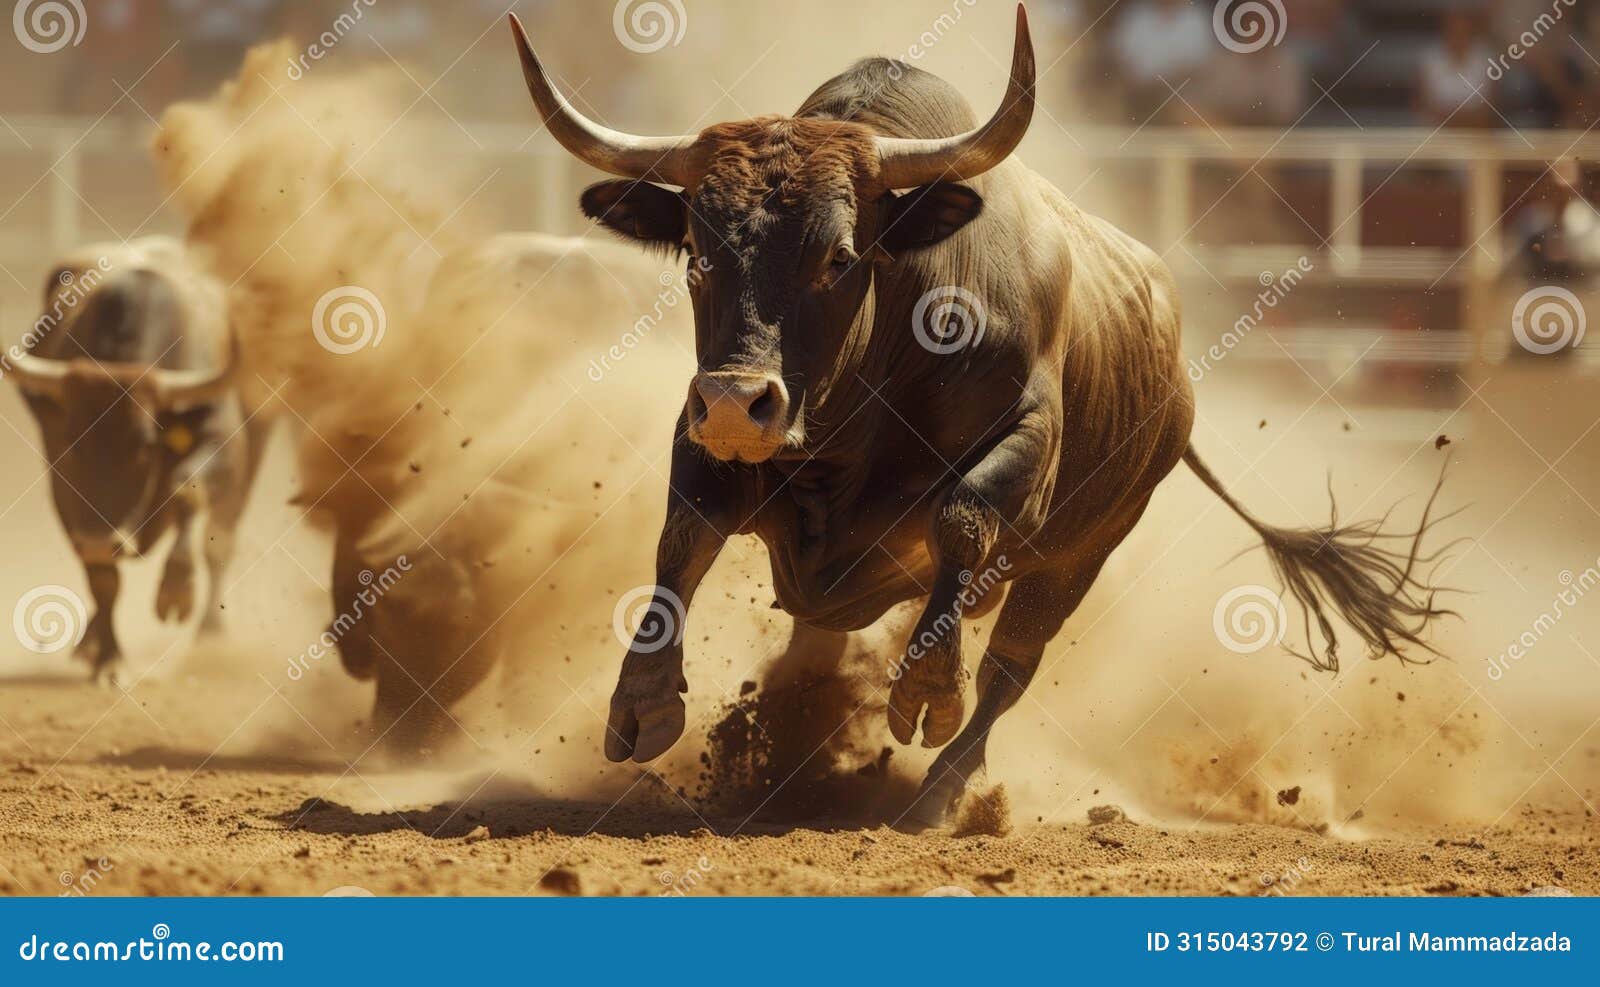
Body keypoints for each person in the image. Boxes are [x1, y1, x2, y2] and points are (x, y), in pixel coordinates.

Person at [1110, 0, 1216, 121]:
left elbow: (1201, 65)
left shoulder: (1196, 17)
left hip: (1180, 93)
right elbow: (1120, 57)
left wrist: (1165, 82)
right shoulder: (1136, 14)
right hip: (1137, 92)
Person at [1415, 11, 1495, 126]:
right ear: (1445, 32)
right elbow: (1422, 103)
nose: (1458, 35)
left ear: (1471, 32)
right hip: (1436, 128)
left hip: (1476, 128)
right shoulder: (1431, 57)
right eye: (1453, 31)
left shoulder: (1485, 57)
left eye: (1463, 31)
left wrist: (1462, 120)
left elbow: (1490, 105)